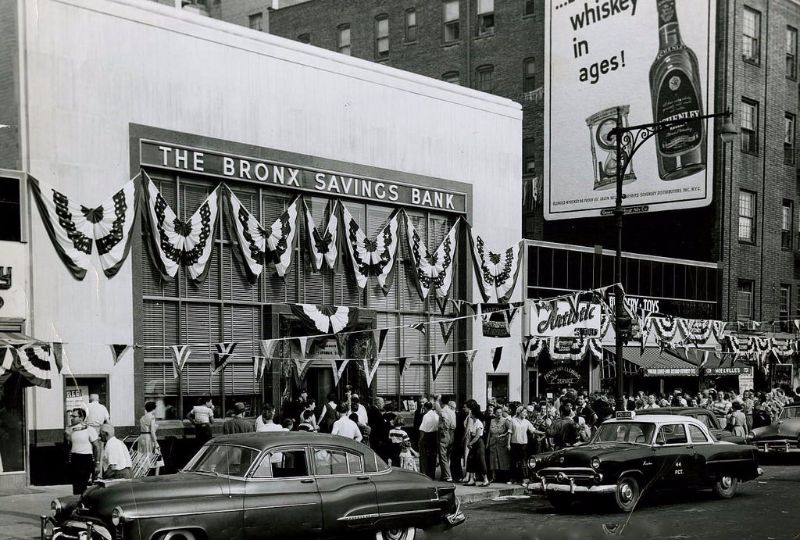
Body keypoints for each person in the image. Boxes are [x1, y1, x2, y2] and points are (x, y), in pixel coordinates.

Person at [66, 409, 100, 494]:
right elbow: (69, 447)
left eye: (74, 416)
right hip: (74, 458)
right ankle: (77, 504)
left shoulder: (89, 429)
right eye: (71, 416)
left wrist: (97, 463)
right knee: (76, 485)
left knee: (83, 485)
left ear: (81, 418)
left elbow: (96, 446)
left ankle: (83, 504)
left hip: (85, 459)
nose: (72, 418)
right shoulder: (71, 430)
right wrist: (67, 436)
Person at [510, 406, 541, 485]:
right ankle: (514, 478)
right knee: (514, 462)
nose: (525, 414)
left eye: (525, 412)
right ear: (519, 412)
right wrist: (508, 443)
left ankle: (525, 479)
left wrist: (542, 433)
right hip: (514, 443)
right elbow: (510, 432)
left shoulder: (526, 422)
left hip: (523, 443)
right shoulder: (513, 421)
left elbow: (533, 430)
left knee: (523, 461)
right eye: (523, 412)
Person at [463, 401, 489, 487]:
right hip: (473, 443)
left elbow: (478, 436)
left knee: (481, 461)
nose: (470, 415)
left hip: (478, 443)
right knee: (470, 460)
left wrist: (470, 443)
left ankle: (486, 480)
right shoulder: (472, 423)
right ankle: (471, 479)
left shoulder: (478, 423)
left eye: (471, 413)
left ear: (474, 414)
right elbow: (470, 433)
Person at [137, 401, 165, 475]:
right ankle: (156, 475)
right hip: (149, 438)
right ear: (153, 409)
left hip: (142, 437)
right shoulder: (152, 417)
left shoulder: (142, 418)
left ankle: (143, 474)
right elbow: (152, 431)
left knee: (144, 457)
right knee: (157, 455)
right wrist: (156, 443)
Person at [433, 396, 456, 482]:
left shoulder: (443, 411)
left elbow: (445, 420)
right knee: (447, 455)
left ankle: (447, 475)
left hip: (444, 433)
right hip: (452, 432)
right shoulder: (452, 411)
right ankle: (444, 475)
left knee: (442, 455)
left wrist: (444, 429)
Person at [487, 407, 512, 484]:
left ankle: (505, 478)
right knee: (493, 460)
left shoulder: (505, 421)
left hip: (502, 442)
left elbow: (510, 431)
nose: (499, 414)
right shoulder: (492, 421)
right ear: (495, 413)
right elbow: (489, 433)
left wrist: (507, 442)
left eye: (500, 412)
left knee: (503, 460)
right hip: (493, 442)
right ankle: (493, 477)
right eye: (497, 412)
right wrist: (487, 443)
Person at [417, 401, 439, 480]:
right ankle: (432, 474)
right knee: (432, 456)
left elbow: (422, 429)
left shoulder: (426, 416)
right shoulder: (436, 415)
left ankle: (424, 473)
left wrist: (420, 440)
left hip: (427, 436)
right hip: (434, 436)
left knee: (424, 457)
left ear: (426, 408)